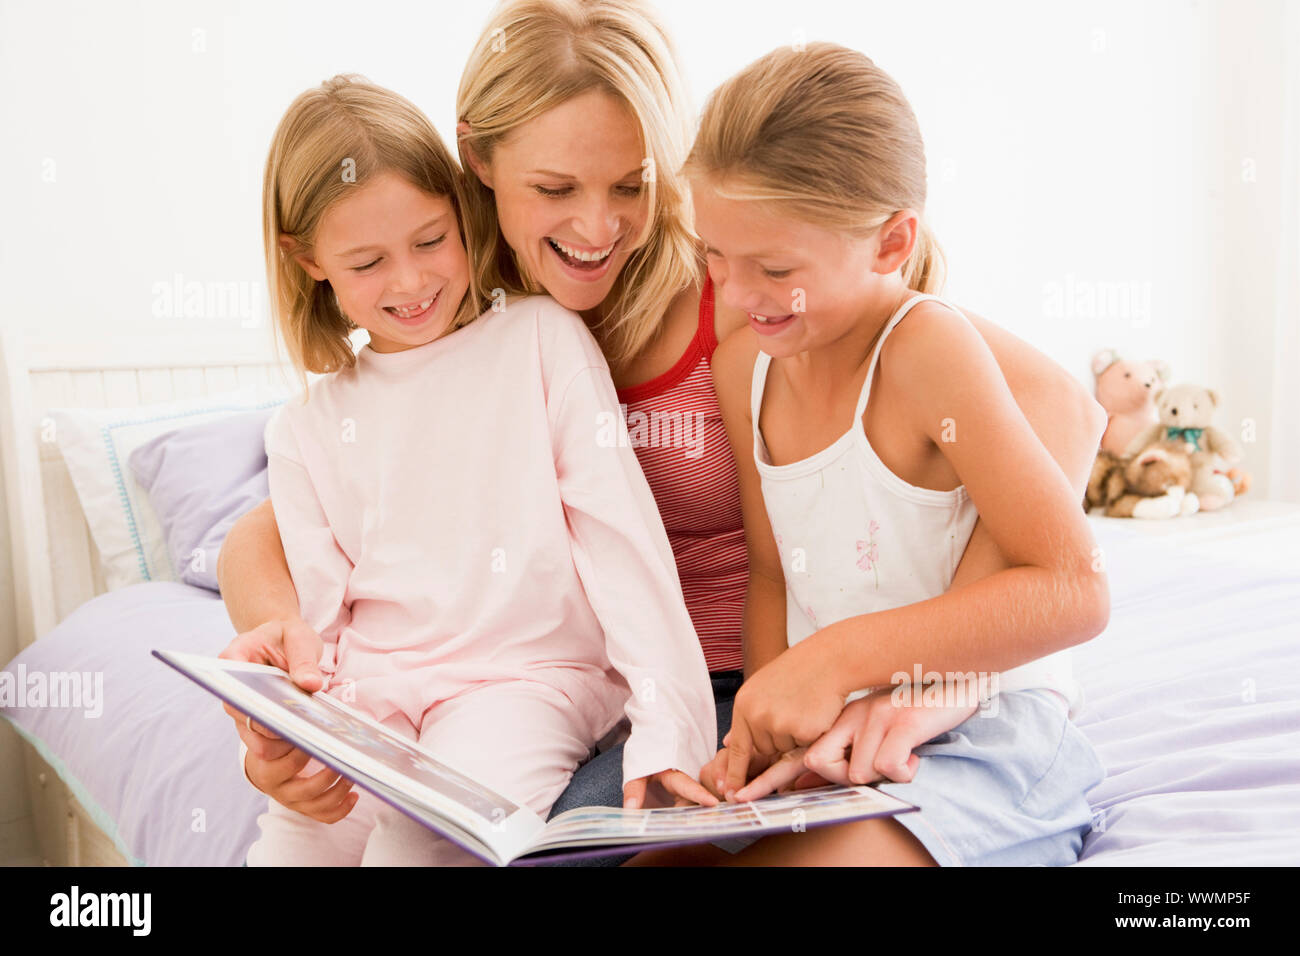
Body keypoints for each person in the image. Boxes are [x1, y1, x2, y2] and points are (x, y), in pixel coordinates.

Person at [219, 0, 1106, 858]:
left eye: (631, 186)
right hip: (602, 702)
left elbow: (1058, 412)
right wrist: (290, 686)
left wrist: (944, 676)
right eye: (555, 188)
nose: (597, 227)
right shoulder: (454, 310)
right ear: (479, 163)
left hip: (740, 688)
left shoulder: (755, 297)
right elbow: (271, 534)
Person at [632, 42, 1107, 866]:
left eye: (776, 267)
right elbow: (776, 577)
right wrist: (759, 731)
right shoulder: (744, 368)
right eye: (714, 254)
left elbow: (1074, 587)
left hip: (983, 735)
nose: (734, 297)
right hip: (836, 749)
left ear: (891, 244)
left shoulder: (926, 349)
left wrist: (837, 660)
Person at [239, 74, 715, 866]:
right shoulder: (303, 429)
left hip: (524, 684)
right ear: (307, 260)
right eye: (367, 262)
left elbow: (622, 543)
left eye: (431, 240)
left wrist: (669, 731)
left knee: (419, 848)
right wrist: (283, 740)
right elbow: (315, 633)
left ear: (463, 213)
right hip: (373, 695)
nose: (412, 281)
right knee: (292, 848)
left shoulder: (540, 340)